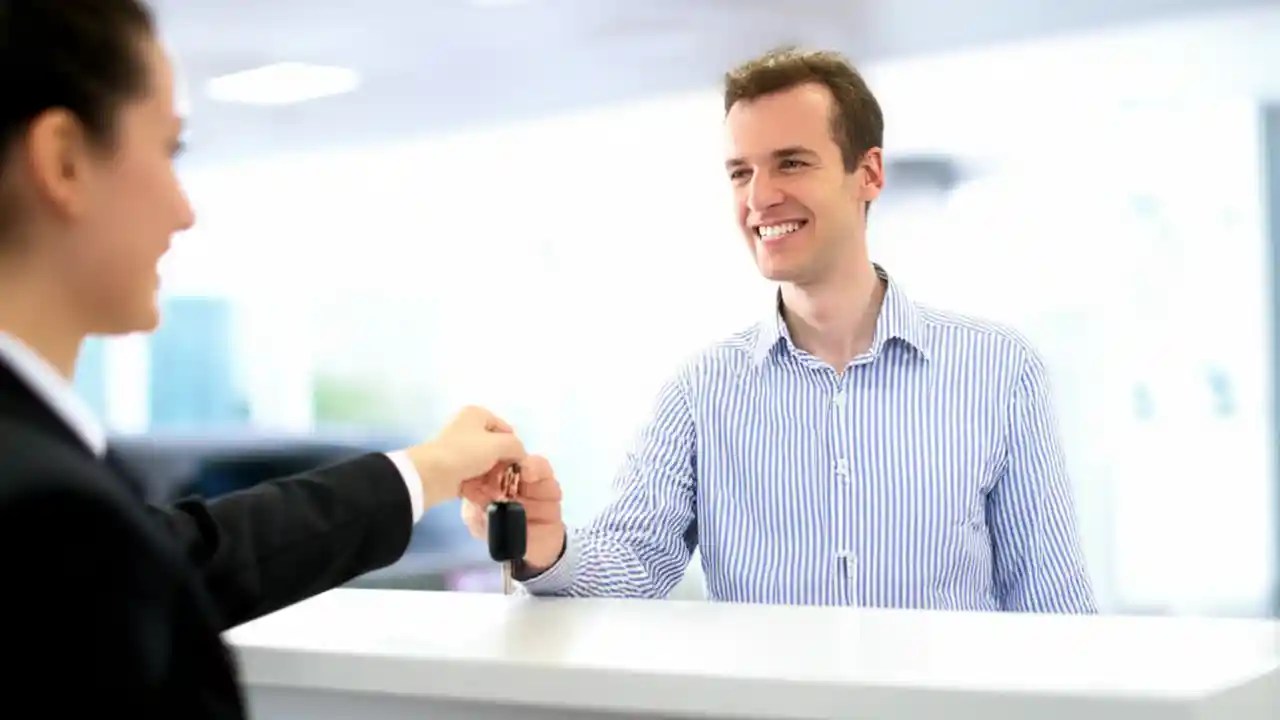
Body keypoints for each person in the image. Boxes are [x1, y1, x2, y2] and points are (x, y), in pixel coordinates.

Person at [0, 1, 530, 715]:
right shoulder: (51, 516)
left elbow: (185, 557)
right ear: (64, 161)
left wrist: (427, 469)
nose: (185, 210)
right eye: (169, 148)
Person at [463, 47, 1097, 614]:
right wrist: (545, 548)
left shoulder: (999, 370)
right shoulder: (702, 390)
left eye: (791, 163)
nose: (759, 197)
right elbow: (630, 564)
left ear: (868, 173)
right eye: (741, 172)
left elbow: (1051, 604)